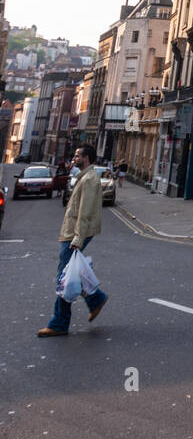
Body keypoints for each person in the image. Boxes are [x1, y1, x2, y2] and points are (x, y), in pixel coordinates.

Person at [36, 143, 108, 337]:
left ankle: (59, 323)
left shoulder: (90, 180)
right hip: (72, 232)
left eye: (77, 156)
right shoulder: (84, 177)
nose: (74, 158)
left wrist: (77, 237)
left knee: (64, 277)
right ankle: (96, 299)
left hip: (74, 234)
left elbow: (84, 212)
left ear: (86, 158)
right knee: (72, 272)